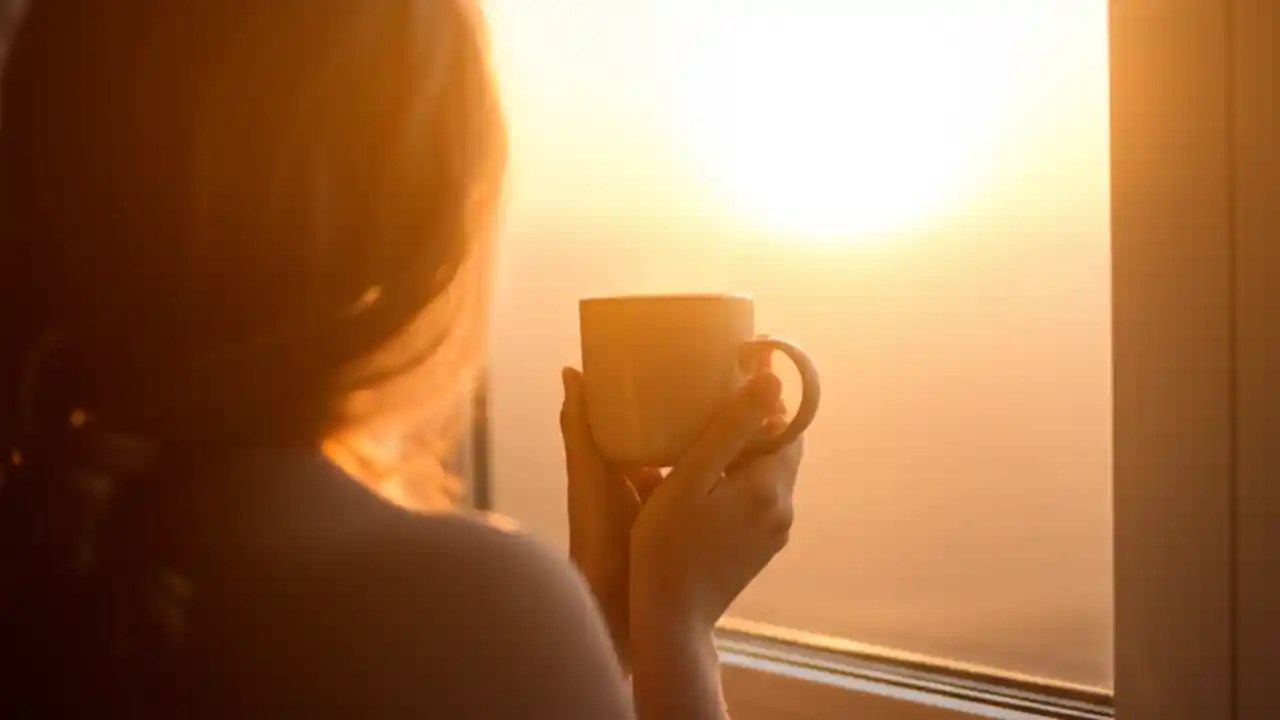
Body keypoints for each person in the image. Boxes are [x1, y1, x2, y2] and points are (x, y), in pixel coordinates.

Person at [0, 1, 803, 717]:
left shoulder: (60, 542)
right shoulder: (452, 606)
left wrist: (598, 616)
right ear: (419, 227)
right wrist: (677, 629)